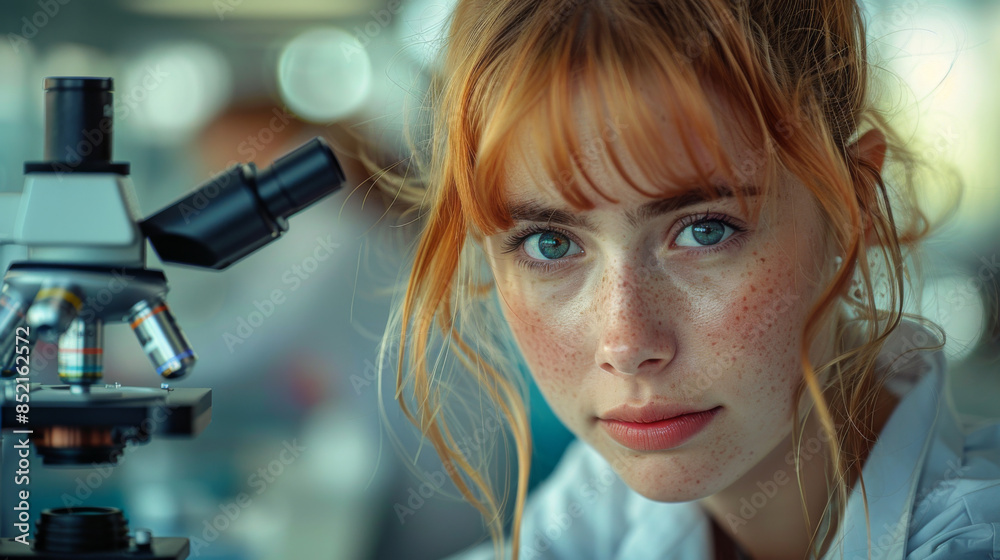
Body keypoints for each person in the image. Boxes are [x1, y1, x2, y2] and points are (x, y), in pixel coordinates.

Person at [351, 0, 999, 558]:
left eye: (704, 230)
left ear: (850, 206)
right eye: (550, 243)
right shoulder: (604, 507)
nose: (628, 343)